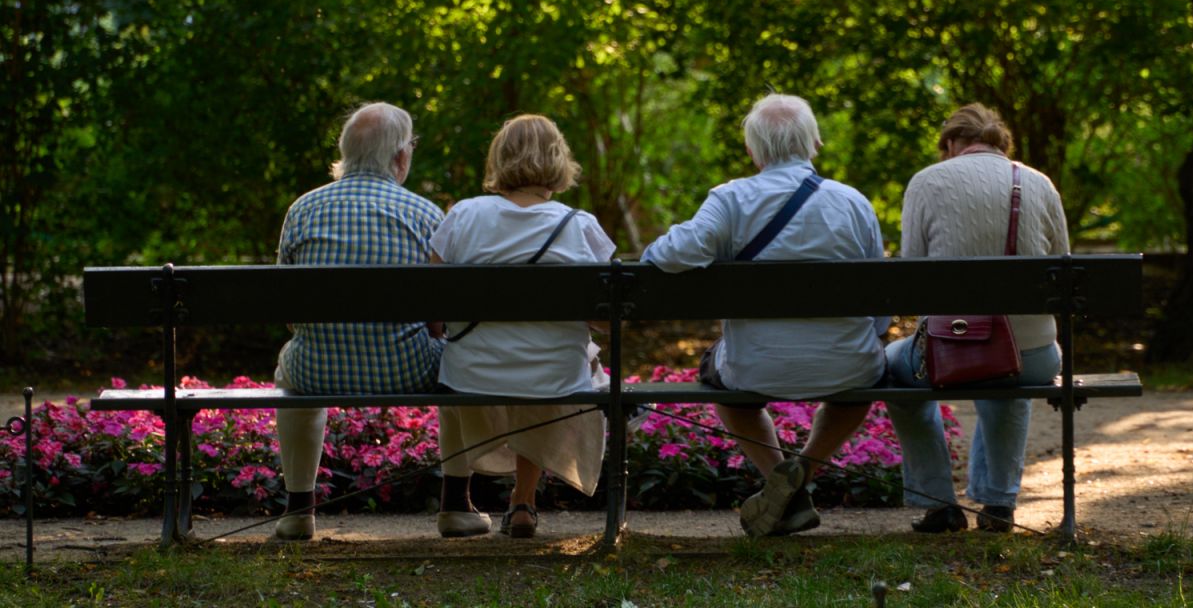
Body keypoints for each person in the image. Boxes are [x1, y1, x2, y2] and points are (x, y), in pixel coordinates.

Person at [641, 93, 888, 537]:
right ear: (815, 143)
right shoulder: (852, 202)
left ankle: (784, 485)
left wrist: (651, 249)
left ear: (753, 151)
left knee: (722, 385)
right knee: (857, 390)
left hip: (753, 367)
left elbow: (673, 253)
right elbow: (879, 303)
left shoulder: (731, 198)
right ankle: (800, 476)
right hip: (848, 365)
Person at [886, 103, 1070, 534]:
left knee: (893, 371)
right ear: (1000, 146)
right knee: (1009, 365)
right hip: (1036, 357)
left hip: (949, 351)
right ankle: (997, 504)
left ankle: (939, 503)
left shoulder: (927, 181)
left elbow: (911, 273)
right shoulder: (1039, 183)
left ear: (950, 145)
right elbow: (1063, 265)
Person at [429, 114, 613, 539]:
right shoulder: (580, 225)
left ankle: (461, 500)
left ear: (500, 158)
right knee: (567, 362)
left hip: (471, 376)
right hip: (555, 376)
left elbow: (433, 310)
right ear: (558, 161)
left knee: (491, 359)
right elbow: (606, 318)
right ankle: (523, 500)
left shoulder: (463, 216)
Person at [272, 102, 446, 541]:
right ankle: (458, 505)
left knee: (289, 370)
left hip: (314, 371)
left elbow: (288, 311)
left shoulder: (303, 210)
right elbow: (440, 322)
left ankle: (298, 511)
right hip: (408, 370)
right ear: (400, 157)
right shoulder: (425, 214)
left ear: (345, 152)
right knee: (459, 363)